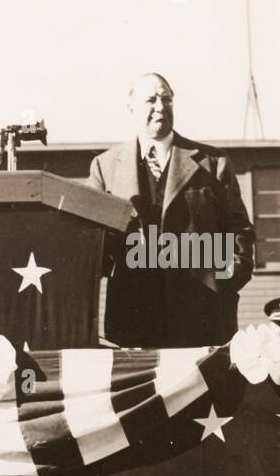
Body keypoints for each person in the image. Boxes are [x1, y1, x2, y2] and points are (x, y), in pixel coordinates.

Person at [88, 73, 256, 348]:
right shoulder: (104, 167)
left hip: (203, 317)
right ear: (131, 108)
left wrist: (222, 282)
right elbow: (92, 242)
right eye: (151, 100)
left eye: (166, 99)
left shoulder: (212, 162)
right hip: (133, 319)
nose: (160, 106)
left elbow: (239, 232)